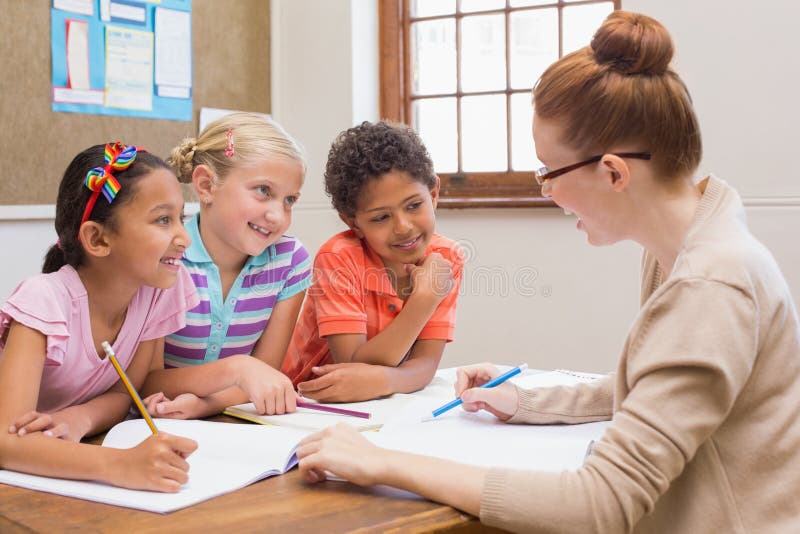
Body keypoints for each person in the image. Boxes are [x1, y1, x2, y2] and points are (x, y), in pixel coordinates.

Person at [294, 11, 800, 532]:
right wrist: (524, 398)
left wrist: (386, 462)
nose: (547, 190)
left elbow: (598, 503)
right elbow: (648, 393)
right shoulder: (683, 249)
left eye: (548, 171)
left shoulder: (709, 286)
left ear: (613, 172)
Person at [0, 142, 198, 492]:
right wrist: (121, 465)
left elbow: (126, 392)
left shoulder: (158, 290)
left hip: (62, 457)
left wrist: (80, 418)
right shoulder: (43, 300)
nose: (183, 237)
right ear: (97, 238)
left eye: (181, 218)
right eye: (163, 220)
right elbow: (6, 441)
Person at [141, 113, 312, 418]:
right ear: (206, 186)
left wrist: (207, 404)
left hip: (229, 418)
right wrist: (238, 368)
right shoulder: (165, 258)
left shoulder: (289, 261)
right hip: (155, 422)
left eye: (289, 200)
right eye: (263, 191)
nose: (277, 215)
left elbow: (265, 371)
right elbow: (147, 381)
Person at [281, 121, 464, 402]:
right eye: (381, 217)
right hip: (303, 400)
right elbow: (352, 365)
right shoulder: (339, 258)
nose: (403, 227)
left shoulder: (446, 259)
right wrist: (424, 300)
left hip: (382, 400)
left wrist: (385, 380)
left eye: (414, 205)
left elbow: (425, 366)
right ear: (352, 222)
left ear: (434, 194)